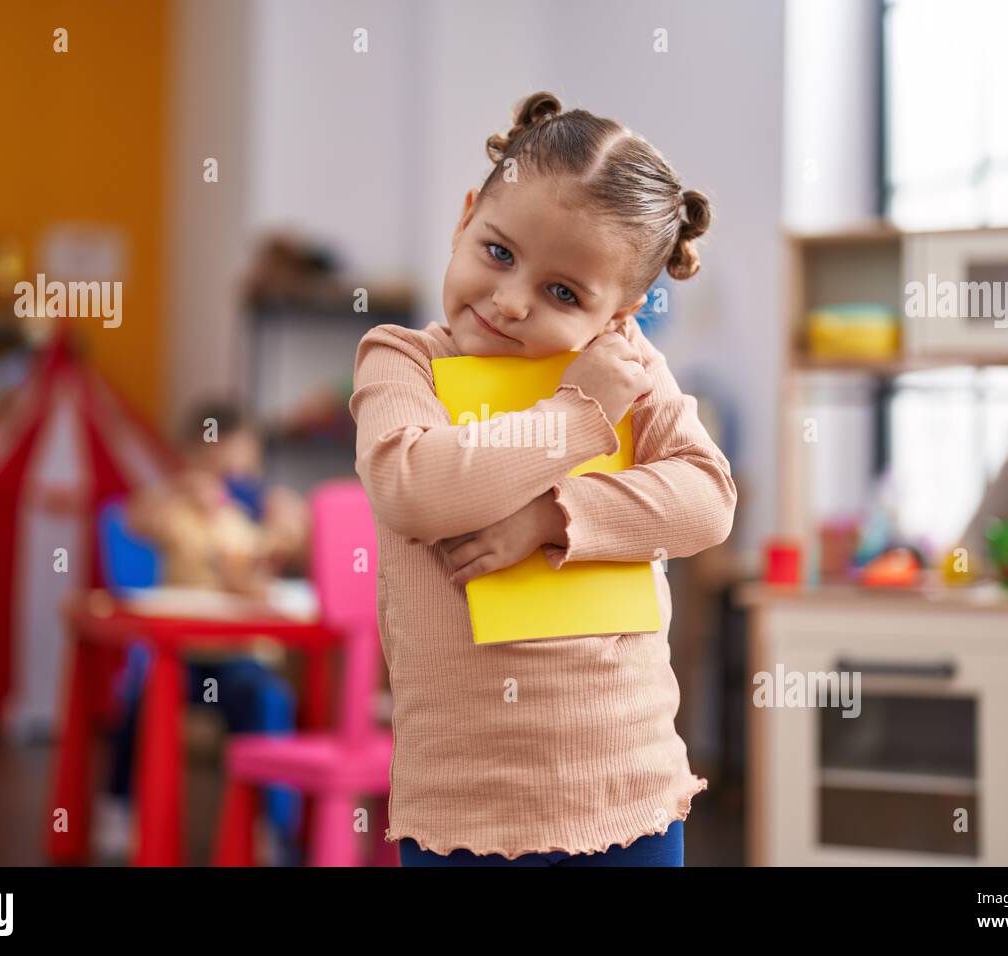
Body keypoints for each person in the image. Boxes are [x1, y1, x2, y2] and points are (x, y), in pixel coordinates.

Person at [349, 92, 737, 866]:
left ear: (620, 314)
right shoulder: (404, 360)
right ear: (465, 219)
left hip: (630, 790)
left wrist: (552, 518)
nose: (511, 301)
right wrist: (575, 415)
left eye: (564, 294)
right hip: (465, 806)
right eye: (498, 252)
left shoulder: (630, 368)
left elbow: (708, 499)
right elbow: (413, 486)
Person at [97, 402, 310, 865]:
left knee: (266, 702)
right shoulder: (176, 511)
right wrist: (177, 490)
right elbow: (131, 519)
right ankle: (119, 804)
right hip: (183, 657)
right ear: (190, 462)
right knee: (140, 706)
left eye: (241, 471)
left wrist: (287, 524)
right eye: (217, 470)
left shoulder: (256, 513)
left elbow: (294, 540)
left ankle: (273, 828)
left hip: (239, 659)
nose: (228, 484)